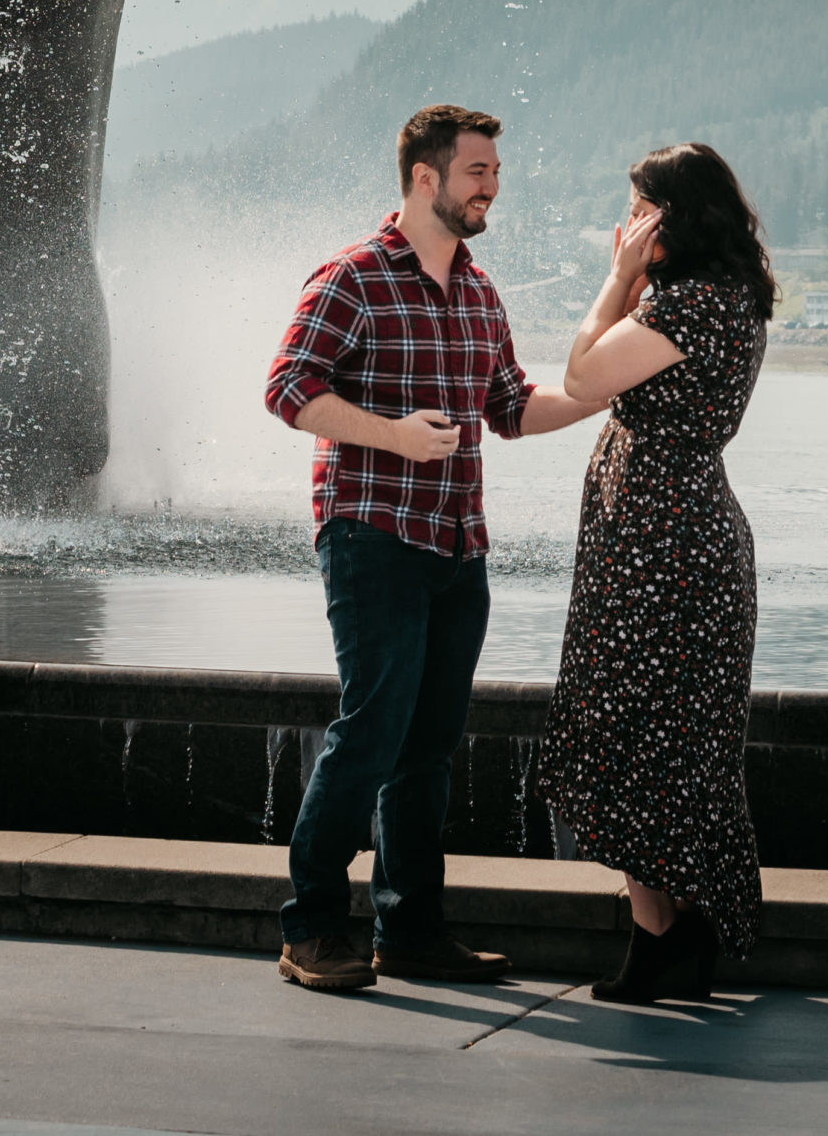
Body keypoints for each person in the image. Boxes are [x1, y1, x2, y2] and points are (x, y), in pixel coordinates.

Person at [264, 104, 607, 990]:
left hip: (458, 546)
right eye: (477, 171)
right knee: (371, 732)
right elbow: (287, 389)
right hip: (371, 536)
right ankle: (310, 930)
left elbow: (513, 409)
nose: (492, 186)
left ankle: (409, 931)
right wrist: (389, 433)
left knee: (429, 746)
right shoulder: (353, 277)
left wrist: (611, 390)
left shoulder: (482, 291)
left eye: (495, 172)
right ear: (426, 176)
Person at [534, 142, 776, 1004]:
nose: (628, 225)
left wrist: (616, 277)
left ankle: (659, 937)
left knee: (627, 733)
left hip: (659, 550)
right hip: (673, 542)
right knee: (669, 739)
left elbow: (583, 372)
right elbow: (590, 392)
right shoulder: (717, 298)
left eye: (639, 210)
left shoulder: (694, 304)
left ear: (674, 218)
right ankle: (683, 929)